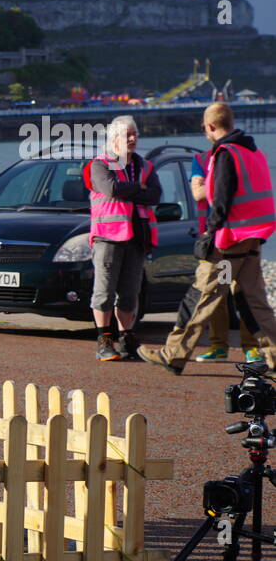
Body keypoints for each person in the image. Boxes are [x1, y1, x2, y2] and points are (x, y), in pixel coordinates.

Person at [140, 105, 276, 373]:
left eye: (204, 129)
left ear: (211, 127)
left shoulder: (226, 154)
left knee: (202, 295)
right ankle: (272, 354)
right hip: (251, 240)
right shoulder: (253, 151)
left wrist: (210, 234)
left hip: (227, 244)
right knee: (252, 299)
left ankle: (173, 354)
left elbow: (221, 200)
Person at [87, 116, 161, 361]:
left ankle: (126, 338)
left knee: (130, 293)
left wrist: (133, 189)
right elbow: (111, 189)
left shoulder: (146, 167)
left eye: (135, 135)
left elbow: (155, 195)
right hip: (107, 237)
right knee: (104, 292)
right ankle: (104, 341)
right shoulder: (99, 165)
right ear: (113, 139)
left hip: (137, 237)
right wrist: (138, 188)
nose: (132, 139)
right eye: (127, 135)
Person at [184, 151, 259, 363]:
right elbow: (197, 194)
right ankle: (218, 346)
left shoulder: (242, 157)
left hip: (243, 237)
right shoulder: (202, 159)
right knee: (220, 291)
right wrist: (224, 183)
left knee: (244, 293)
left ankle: (251, 348)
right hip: (219, 242)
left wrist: (212, 183)